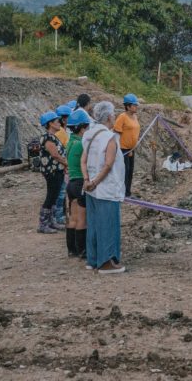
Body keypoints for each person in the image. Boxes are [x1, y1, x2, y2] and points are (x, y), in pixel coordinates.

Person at [81, 102, 127, 274]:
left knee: (93, 224)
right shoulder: (109, 137)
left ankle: (93, 260)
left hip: (91, 188)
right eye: (113, 115)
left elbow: (83, 160)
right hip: (106, 188)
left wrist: (88, 180)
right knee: (108, 223)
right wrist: (96, 182)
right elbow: (108, 165)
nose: (114, 117)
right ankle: (106, 262)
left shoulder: (89, 134)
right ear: (108, 117)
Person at [64, 108, 91, 258]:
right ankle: (82, 250)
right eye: (86, 127)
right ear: (82, 127)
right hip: (81, 182)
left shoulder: (70, 142)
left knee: (73, 218)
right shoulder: (82, 144)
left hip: (72, 183)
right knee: (82, 219)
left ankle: (72, 249)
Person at [36, 111, 68, 234]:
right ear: (50, 124)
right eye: (56, 121)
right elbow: (55, 155)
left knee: (54, 196)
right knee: (51, 196)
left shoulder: (53, 137)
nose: (59, 123)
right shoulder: (48, 138)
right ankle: (43, 224)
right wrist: (67, 164)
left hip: (57, 170)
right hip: (52, 171)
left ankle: (51, 221)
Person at [113, 93, 141, 197]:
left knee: (130, 171)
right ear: (128, 106)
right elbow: (116, 133)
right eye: (134, 105)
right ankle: (122, 192)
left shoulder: (135, 117)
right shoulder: (122, 117)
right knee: (124, 171)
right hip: (123, 150)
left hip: (131, 149)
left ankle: (127, 192)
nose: (136, 107)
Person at [52, 104, 72, 226]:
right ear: (64, 119)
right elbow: (61, 152)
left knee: (59, 193)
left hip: (60, 166)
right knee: (60, 193)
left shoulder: (62, 132)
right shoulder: (61, 133)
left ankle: (58, 216)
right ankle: (58, 217)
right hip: (60, 167)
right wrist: (66, 164)